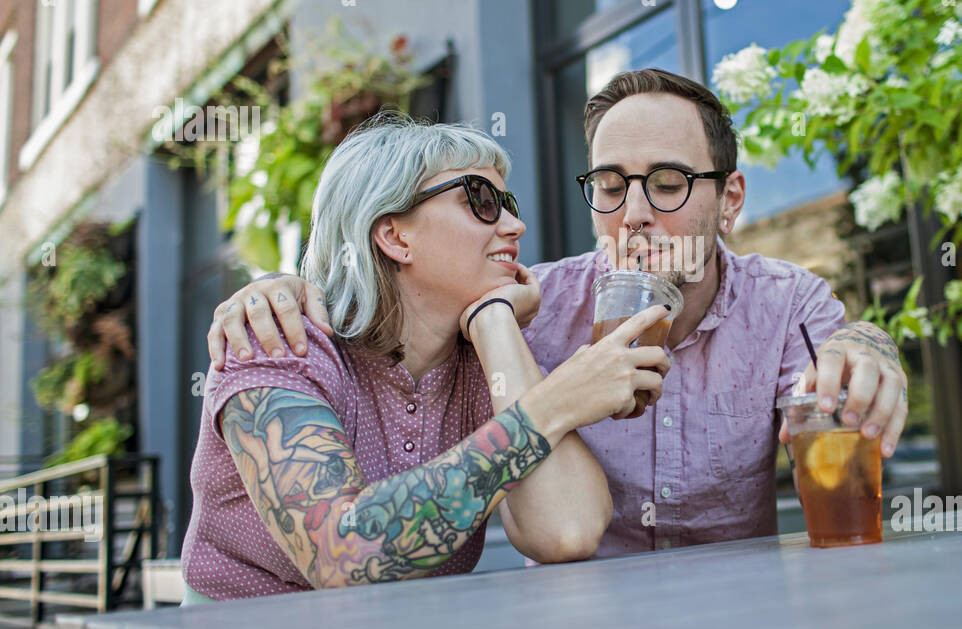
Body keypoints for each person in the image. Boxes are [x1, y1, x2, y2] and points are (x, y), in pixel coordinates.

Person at [207, 69, 908, 558]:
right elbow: (383, 305)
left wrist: (870, 345)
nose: (634, 215)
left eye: (668, 184)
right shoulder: (523, 306)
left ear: (730, 199)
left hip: (739, 618)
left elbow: (831, 408)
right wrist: (279, 284)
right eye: (610, 186)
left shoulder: (786, 303)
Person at [180, 114, 670, 600]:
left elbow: (567, 531)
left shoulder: (480, 364)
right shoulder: (278, 343)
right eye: (481, 201)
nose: (515, 225)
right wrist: (557, 402)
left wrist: (494, 320)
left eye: (509, 204)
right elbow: (341, 553)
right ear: (395, 237)